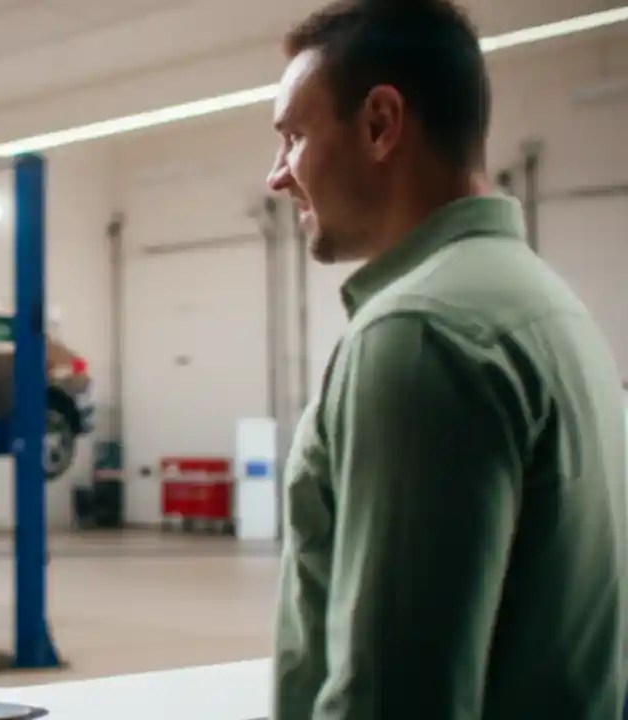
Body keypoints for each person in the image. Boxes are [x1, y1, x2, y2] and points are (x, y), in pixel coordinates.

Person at [266, 1, 626, 718]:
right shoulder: (548, 306)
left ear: (380, 124)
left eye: (295, 137)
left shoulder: (420, 334)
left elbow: (398, 695)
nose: (278, 176)